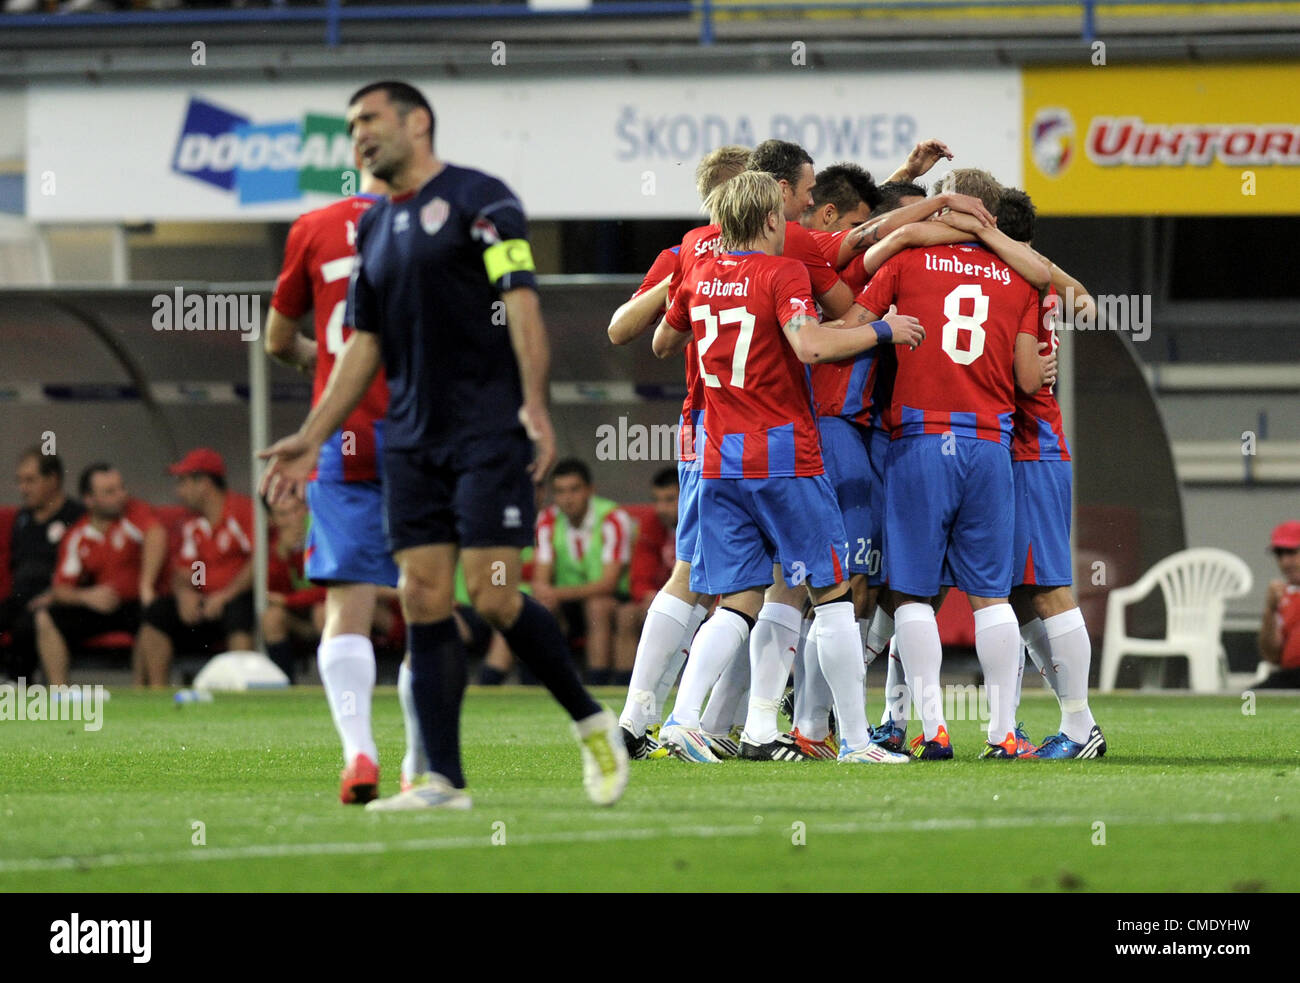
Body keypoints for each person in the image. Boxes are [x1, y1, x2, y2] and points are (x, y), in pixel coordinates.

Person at [260, 79, 627, 810]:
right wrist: (310, 436)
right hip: (408, 437)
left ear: (416, 122)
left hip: (486, 427)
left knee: (492, 594)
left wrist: (533, 404)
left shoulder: (481, 200)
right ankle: (442, 782)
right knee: (421, 595)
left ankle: (592, 720)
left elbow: (522, 302)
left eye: (370, 119)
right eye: (351, 125)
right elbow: (363, 345)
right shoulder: (371, 230)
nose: (358, 134)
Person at [651, 169, 920, 765]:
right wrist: (883, 329)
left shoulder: (696, 271)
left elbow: (660, 345)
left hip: (718, 458)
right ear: (771, 218)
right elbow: (811, 346)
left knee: (738, 597)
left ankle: (681, 720)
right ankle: (853, 741)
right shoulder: (782, 273)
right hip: (783, 456)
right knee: (832, 593)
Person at [857, 167, 1055, 760]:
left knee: (912, 596)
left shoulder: (908, 261)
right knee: (991, 595)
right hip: (991, 445)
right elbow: (1026, 377)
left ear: (949, 208)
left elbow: (859, 303)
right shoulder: (1020, 278)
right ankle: (1001, 733)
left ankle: (932, 729)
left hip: (919, 441)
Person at [265, 153, 420, 803]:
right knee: (427, 605)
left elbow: (278, 339)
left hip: (343, 435)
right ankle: (422, 759)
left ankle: (360, 750)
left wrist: (327, 367)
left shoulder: (313, 227)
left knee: (346, 608)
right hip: (419, 433)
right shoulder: (434, 225)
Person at [995, 187, 1106, 759]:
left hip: (1031, 450)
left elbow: (1026, 381)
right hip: (1018, 451)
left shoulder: (1021, 284)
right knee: (1016, 594)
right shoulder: (1032, 278)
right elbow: (1080, 296)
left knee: (1048, 589)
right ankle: (1040, 725)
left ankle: (1081, 724)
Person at [133, 448, 255, 687]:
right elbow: (185, 571)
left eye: (183, 482)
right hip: (203, 604)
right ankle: (156, 694)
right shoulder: (191, 521)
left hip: (234, 599)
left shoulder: (242, 511)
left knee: (239, 609)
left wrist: (225, 595)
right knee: (157, 611)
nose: (179, 490)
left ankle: (241, 691)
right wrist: (184, 594)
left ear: (204, 483)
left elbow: (258, 562)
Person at [35, 463, 165, 687]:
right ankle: (59, 694)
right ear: (89, 499)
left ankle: (148, 693)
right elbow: (61, 588)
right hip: (99, 606)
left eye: (121, 488)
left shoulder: (134, 512)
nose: (120, 496)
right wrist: (86, 596)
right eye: (109, 492)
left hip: (136, 604)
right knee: (45, 617)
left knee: (153, 613)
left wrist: (146, 585)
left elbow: (156, 535)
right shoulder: (77, 534)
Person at [531, 459, 634, 685]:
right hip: (568, 601)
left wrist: (554, 593)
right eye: (559, 491)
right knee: (538, 607)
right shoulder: (547, 520)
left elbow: (609, 583)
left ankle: (599, 684)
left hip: (611, 598)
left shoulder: (613, 518)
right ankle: (545, 684)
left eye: (574, 489)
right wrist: (548, 595)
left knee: (597, 606)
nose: (567, 498)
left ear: (590, 490)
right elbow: (540, 580)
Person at [0, 447, 84, 681]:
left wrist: (55, 594)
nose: (23, 489)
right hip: (20, 599)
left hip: (56, 600)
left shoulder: (76, 516)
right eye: (20, 481)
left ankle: (22, 693)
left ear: (53, 479)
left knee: (28, 625)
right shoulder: (23, 518)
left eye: (30, 481)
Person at [613, 467, 680, 688]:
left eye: (670, 500)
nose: (661, 508)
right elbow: (639, 578)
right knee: (627, 615)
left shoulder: (703, 523)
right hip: (664, 601)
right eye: (657, 500)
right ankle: (625, 687)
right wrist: (649, 595)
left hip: (701, 601)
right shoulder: (651, 524)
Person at [262, 495, 327, 684]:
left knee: (323, 613)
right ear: (272, 519)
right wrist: (284, 555)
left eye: (296, 510)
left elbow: (330, 589)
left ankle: (333, 687)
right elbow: (270, 593)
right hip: (297, 618)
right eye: (283, 514)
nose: (292, 519)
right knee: (271, 618)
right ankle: (284, 688)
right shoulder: (271, 543)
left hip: (323, 610)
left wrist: (289, 601)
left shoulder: (321, 533)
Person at [1258, 520, 1300, 688]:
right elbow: (1271, 655)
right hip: (1290, 677)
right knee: (1247, 702)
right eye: (1279, 554)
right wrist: (1270, 610)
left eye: (1291, 553)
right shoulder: (1283, 596)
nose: (1285, 562)